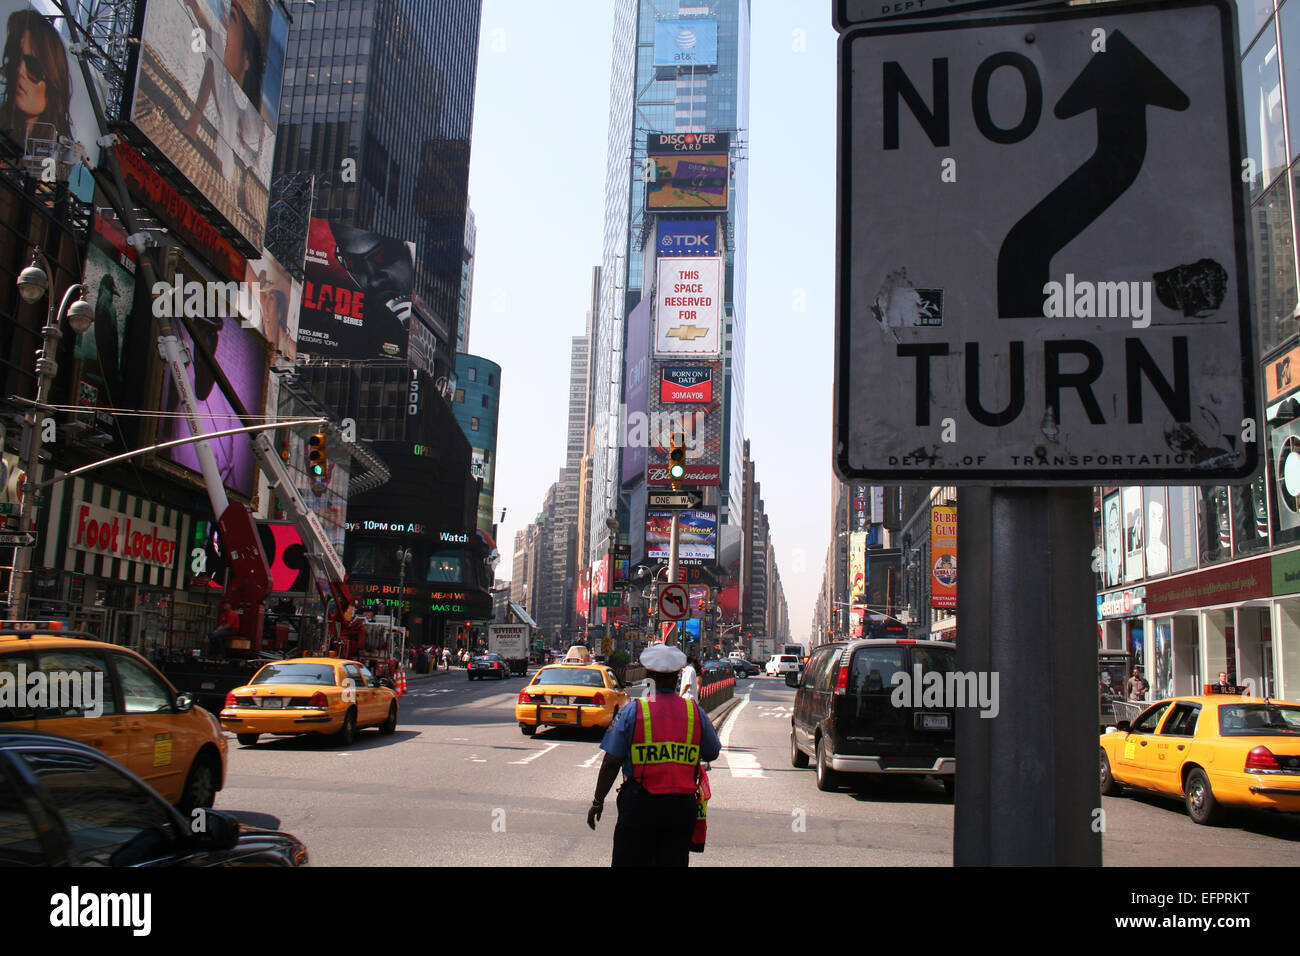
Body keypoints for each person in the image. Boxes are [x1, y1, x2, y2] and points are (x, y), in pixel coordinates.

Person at [587, 643, 720, 867]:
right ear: (678, 676)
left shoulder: (633, 710)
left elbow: (611, 761)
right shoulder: (693, 711)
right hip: (680, 809)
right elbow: (712, 751)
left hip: (640, 806)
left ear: (648, 676)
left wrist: (598, 801)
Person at [0, 9, 72, 150]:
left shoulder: (62, 156)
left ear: (54, 82)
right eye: (15, 59)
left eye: (33, 67)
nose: (19, 71)